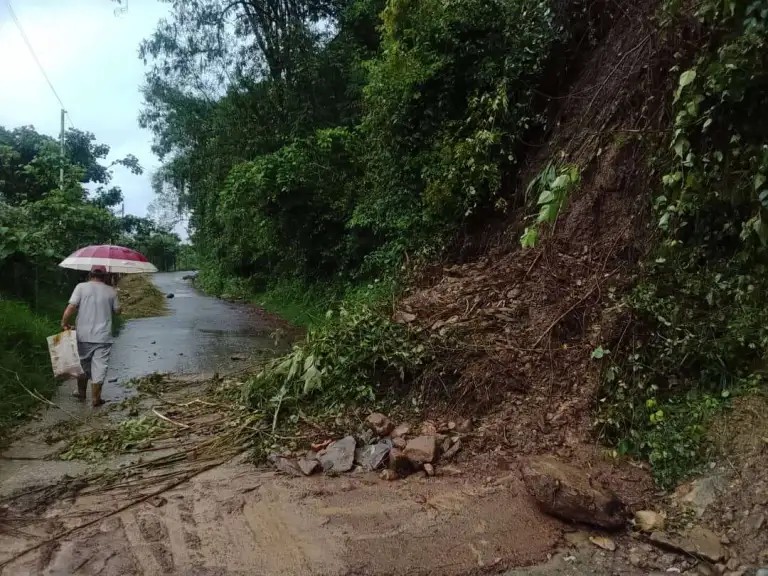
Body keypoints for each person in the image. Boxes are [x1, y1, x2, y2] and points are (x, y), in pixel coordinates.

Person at [60, 265, 121, 407]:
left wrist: (64, 322)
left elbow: (71, 306)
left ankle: (81, 393)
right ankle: (96, 398)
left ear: (90, 274)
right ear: (105, 276)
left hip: (83, 335)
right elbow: (117, 311)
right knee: (100, 366)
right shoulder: (111, 291)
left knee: (82, 365)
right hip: (103, 337)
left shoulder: (81, 287)